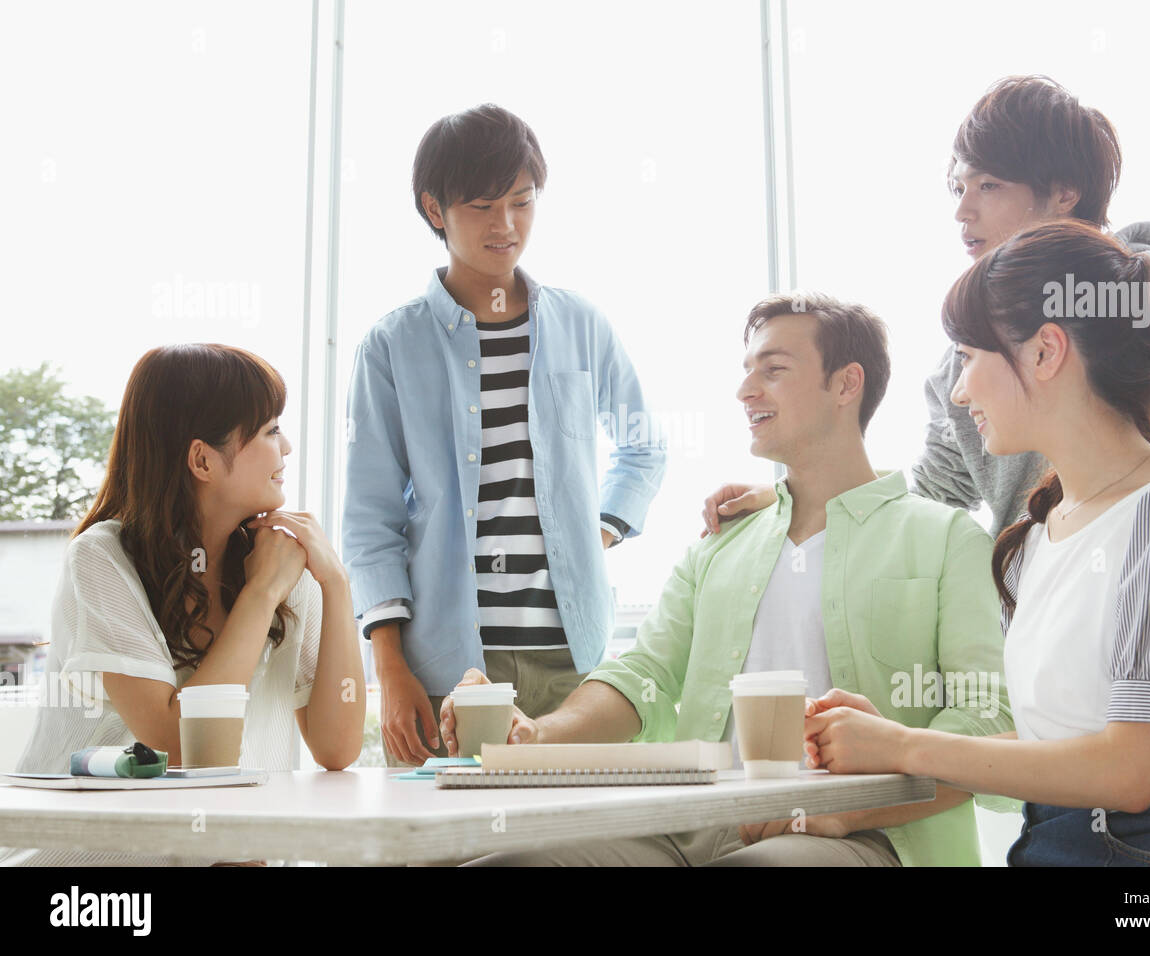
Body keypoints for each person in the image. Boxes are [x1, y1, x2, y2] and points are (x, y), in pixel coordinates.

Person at [443, 292, 1015, 866]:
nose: (746, 391)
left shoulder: (947, 541)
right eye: (746, 373)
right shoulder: (722, 543)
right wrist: (534, 737)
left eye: (773, 370)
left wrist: (855, 803)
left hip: (865, 837)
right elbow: (645, 676)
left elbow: (988, 718)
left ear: (846, 385)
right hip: (690, 826)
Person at [804, 221, 1150, 866]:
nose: (958, 389)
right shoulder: (1032, 541)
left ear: (1045, 351)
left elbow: (1128, 772)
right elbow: (1049, 756)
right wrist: (864, 805)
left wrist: (901, 745)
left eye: (970, 357)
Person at [701, 75, 1150, 537]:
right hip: (1029, 588)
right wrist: (793, 499)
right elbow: (935, 486)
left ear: (1064, 193)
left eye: (988, 186)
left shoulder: (1135, 275)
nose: (963, 210)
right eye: (959, 188)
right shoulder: (965, 360)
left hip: (1135, 556)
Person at [342, 104, 666, 767]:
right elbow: (370, 520)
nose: (506, 225)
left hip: (571, 657)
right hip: (447, 663)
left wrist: (592, 530)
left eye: (522, 202)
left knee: (567, 842)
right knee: (452, 845)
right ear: (435, 210)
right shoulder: (391, 346)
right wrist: (391, 670)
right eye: (483, 206)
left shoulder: (580, 324)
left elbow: (642, 446)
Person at [1, 344, 364, 866]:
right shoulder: (102, 560)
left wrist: (335, 582)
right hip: (89, 869)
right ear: (202, 459)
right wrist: (260, 597)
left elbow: (337, 747)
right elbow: (181, 744)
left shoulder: (278, 562)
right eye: (268, 431)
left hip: (219, 854)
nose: (286, 447)